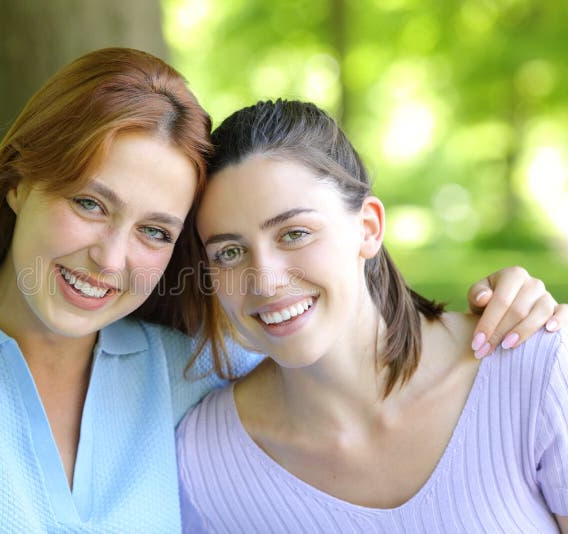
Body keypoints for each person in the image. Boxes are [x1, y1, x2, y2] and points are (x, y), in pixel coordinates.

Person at [0, 48, 563, 533]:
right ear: (18, 183)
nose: (109, 258)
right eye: (89, 204)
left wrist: (506, 311)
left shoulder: (181, 369)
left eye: (154, 231)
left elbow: (320, 340)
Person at [176, 99, 568, 533]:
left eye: (294, 234)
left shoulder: (533, 367)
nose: (265, 282)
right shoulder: (205, 462)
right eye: (230, 252)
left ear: (368, 228)